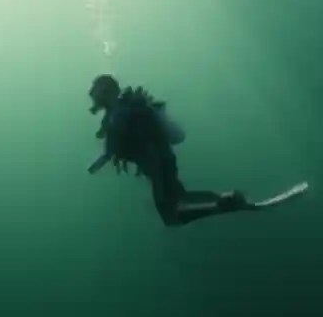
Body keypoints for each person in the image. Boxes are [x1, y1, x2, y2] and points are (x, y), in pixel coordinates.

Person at [86, 74, 257, 227]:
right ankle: (226, 199)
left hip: (156, 163)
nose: (91, 93)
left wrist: (96, 165)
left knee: (171, 216)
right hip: (163, 159)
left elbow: (113, 148)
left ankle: (226, 203)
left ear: (106, 91)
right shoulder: (121, 111)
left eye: (95, 89)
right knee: (180, 198)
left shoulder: (117, 115)